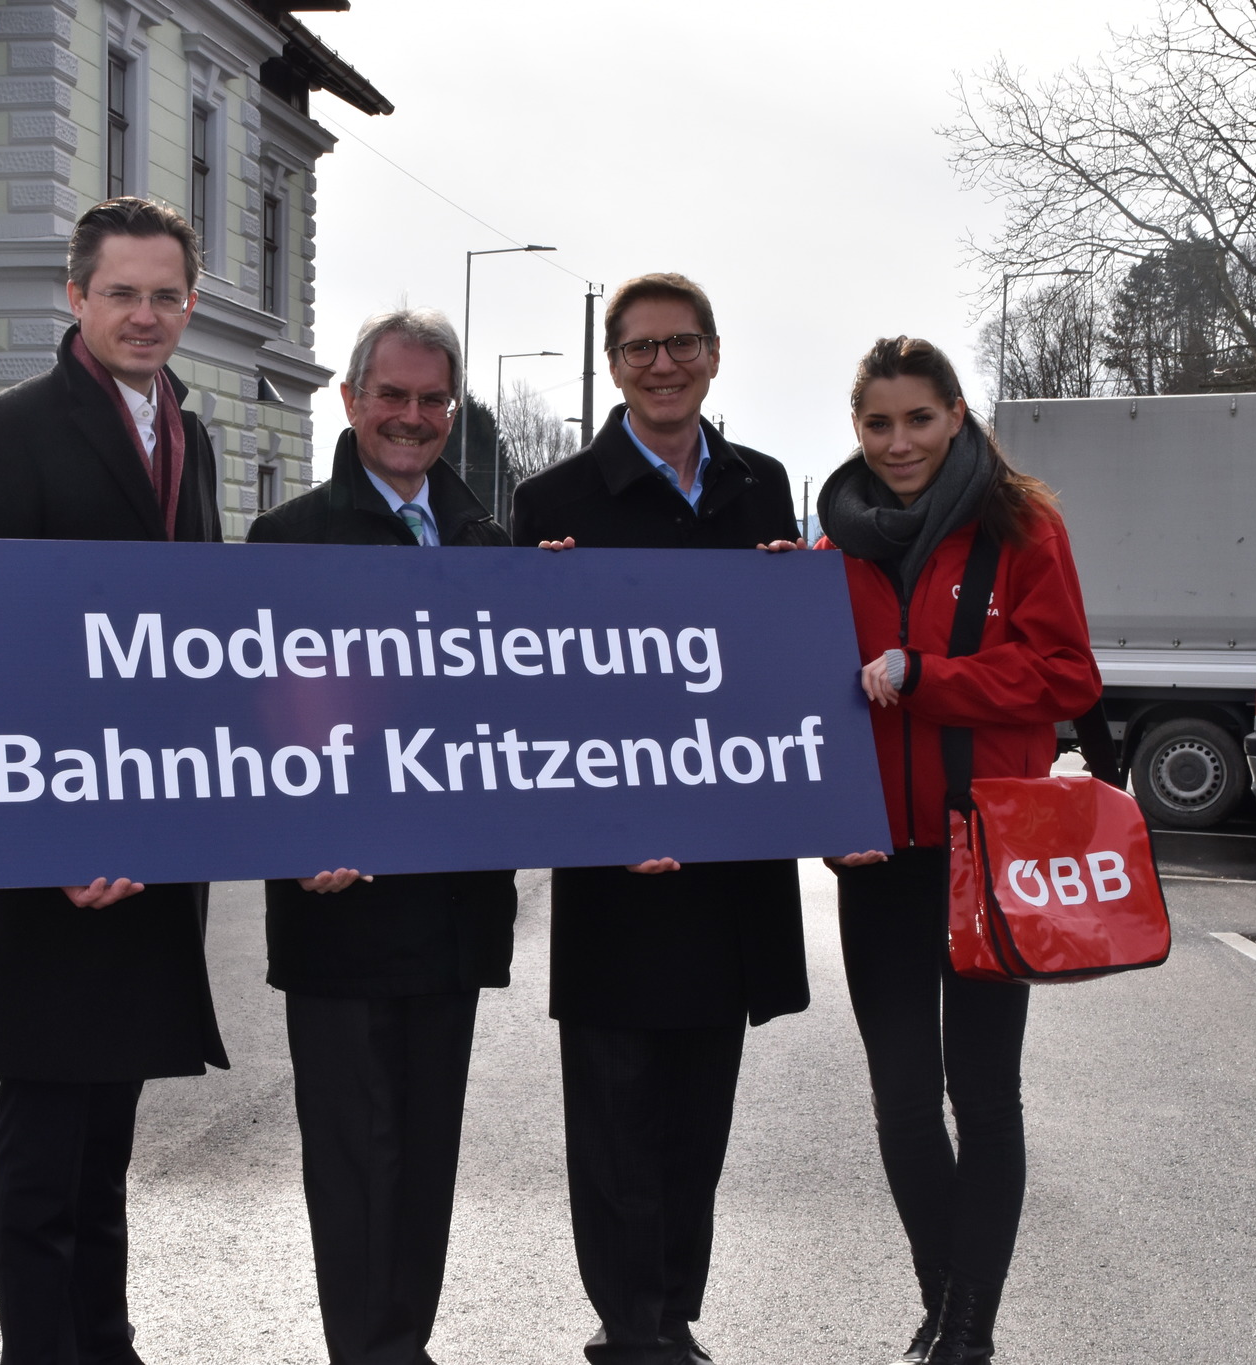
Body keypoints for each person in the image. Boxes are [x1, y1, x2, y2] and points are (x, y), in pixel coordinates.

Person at [0, 196, 227, 1365]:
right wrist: (45, 842)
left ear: (189, 306)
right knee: (48, 1138)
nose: (145, 316)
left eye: (165, 296)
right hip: (54, 848)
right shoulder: (2, 435)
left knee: (110, 1134)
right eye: (122, 293)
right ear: (75, 296)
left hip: (150, 843)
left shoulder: (189, 438)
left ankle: (103, 1344)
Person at [510, 273, 808, 1365]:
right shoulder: (550, 507)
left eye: (680, 344)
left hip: (726, 860)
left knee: (697, 1113)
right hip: (613, 859)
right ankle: (630, 1322)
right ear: (612, 363)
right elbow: (525, 689)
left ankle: (671, 1307)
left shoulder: (762, 489)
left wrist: (797, 596)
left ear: (714, 355)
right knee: (612, 1109)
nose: (661, 364)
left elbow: (786, 673)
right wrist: (528, 603)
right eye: (638, 349)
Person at [818, 336, 1098, 1365]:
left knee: (981, 1096)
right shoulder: (831, 544)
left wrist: (929, 674)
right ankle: (946, 1304)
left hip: (987, 854)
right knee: (899, 1099)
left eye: (917, 419)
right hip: (876, 858)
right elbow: (801, 692)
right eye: (876, 423)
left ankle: (964, 1330)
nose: (898, 442)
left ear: (955, 414)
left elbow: (1065, 674)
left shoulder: (1019, 526)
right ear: (855, 429)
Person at [247, 308, 517, 1365]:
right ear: (351, 401)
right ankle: (366, 1351)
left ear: (450, 412)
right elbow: (254, 722)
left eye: (431, 401)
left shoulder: (494, 554)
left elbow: (525, 719)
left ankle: (405, 1341)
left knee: (426, 1153)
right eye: (391, 397)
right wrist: (291, 833)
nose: (411, 419)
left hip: (450, 908)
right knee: (355, 1160)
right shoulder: (288, 541)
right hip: (337, 907)